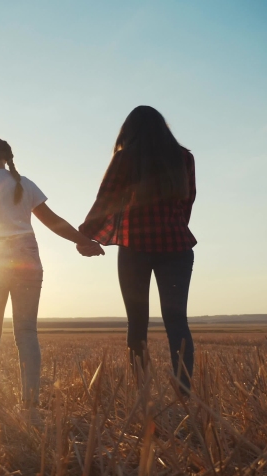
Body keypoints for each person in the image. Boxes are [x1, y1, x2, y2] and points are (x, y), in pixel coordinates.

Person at [0, 136, 103, 414]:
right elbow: (53, 221)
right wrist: (82, 240)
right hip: (27, 261)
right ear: (7, 156)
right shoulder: (23, 184)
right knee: (26, 332)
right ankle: (31, 401)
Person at [79, 106, 197, 393]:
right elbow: (188, 199)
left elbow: (106, 199)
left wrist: (85, 234)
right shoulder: (183, 156)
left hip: (135, 248)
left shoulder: (126, 158)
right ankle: (185, 392)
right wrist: (174, 228)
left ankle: (142, 391)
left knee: (137, 322)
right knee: (177, 320)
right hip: (176, 246)